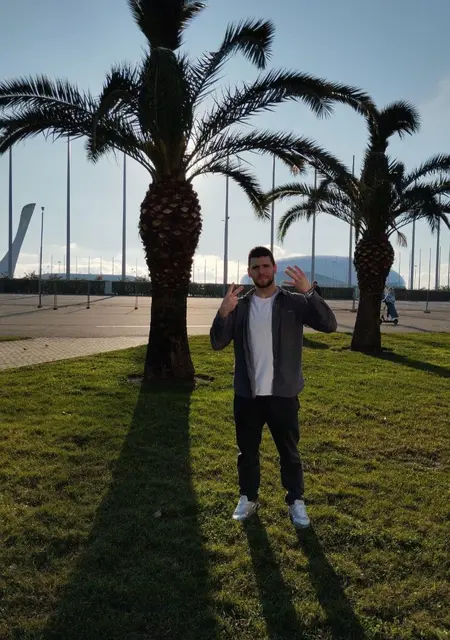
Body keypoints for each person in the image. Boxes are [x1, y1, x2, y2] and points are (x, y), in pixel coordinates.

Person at [210, 246, 337, 529]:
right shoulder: (240, 306)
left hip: (283, 395)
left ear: (274, 268)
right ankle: (248, 497)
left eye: (266, 266)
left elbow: (329, 325)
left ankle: (296, 501)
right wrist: (223, 312)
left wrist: (309, 293)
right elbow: (217, 342)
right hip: (248, 396)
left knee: (289, 454)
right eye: (255, 267)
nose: (262, 271)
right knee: (247, 453)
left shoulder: (294, 302)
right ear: (249, 272)